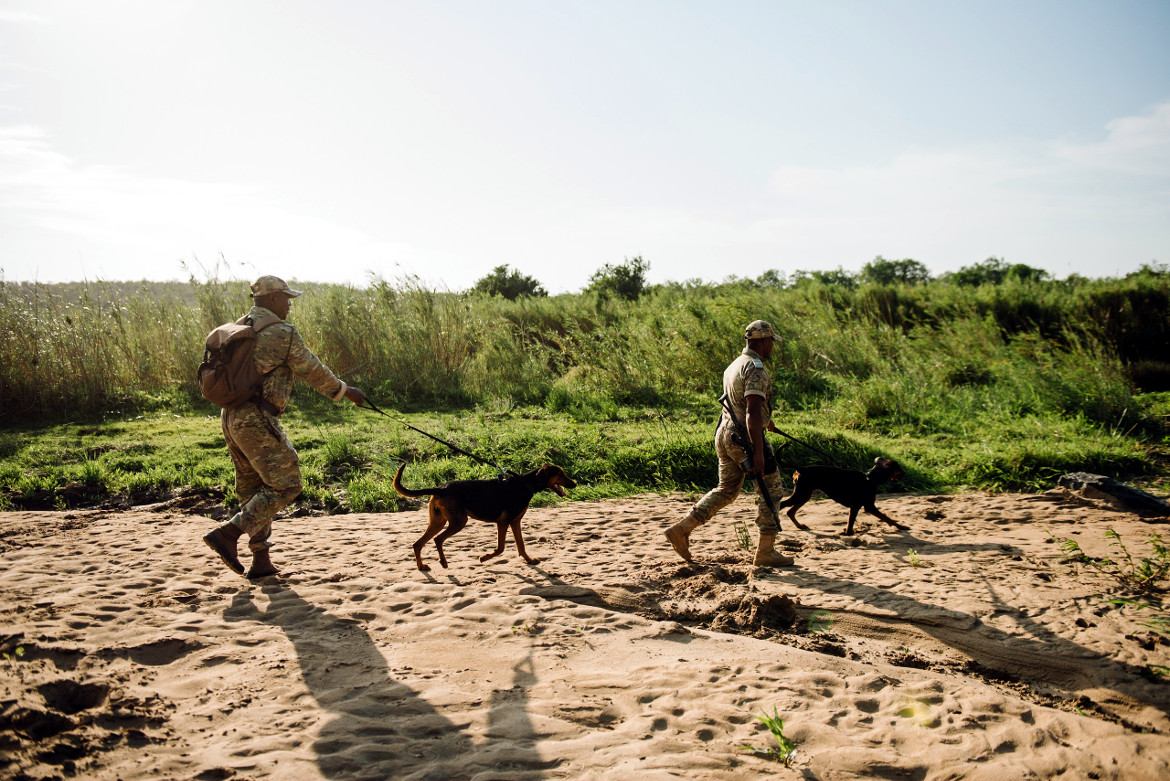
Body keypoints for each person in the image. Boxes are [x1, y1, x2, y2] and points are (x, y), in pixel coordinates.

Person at [203, 275, 367, 579]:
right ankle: (228, 533)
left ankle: (260, 561)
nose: (289, 305)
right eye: (286, 299)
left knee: (253, 489)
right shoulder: (281, 332)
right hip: (256, 418)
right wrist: (345, 391)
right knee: (287, 483)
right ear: (273, 299)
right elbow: (311, 369)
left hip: (230, 416)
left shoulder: (242, 327)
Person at [664, 319, 794, 567]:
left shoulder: (734, 364)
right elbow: (751, 411)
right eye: (771, 341)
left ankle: (681, 529)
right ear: (763, 341)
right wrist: (758, 451)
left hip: (725, 434)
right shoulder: (756, 368)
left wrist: (765, 420)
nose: (772, 346)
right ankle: (766, 551)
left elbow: (740, 403)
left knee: (726, 490)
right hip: (745, 438)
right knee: (772, 490)